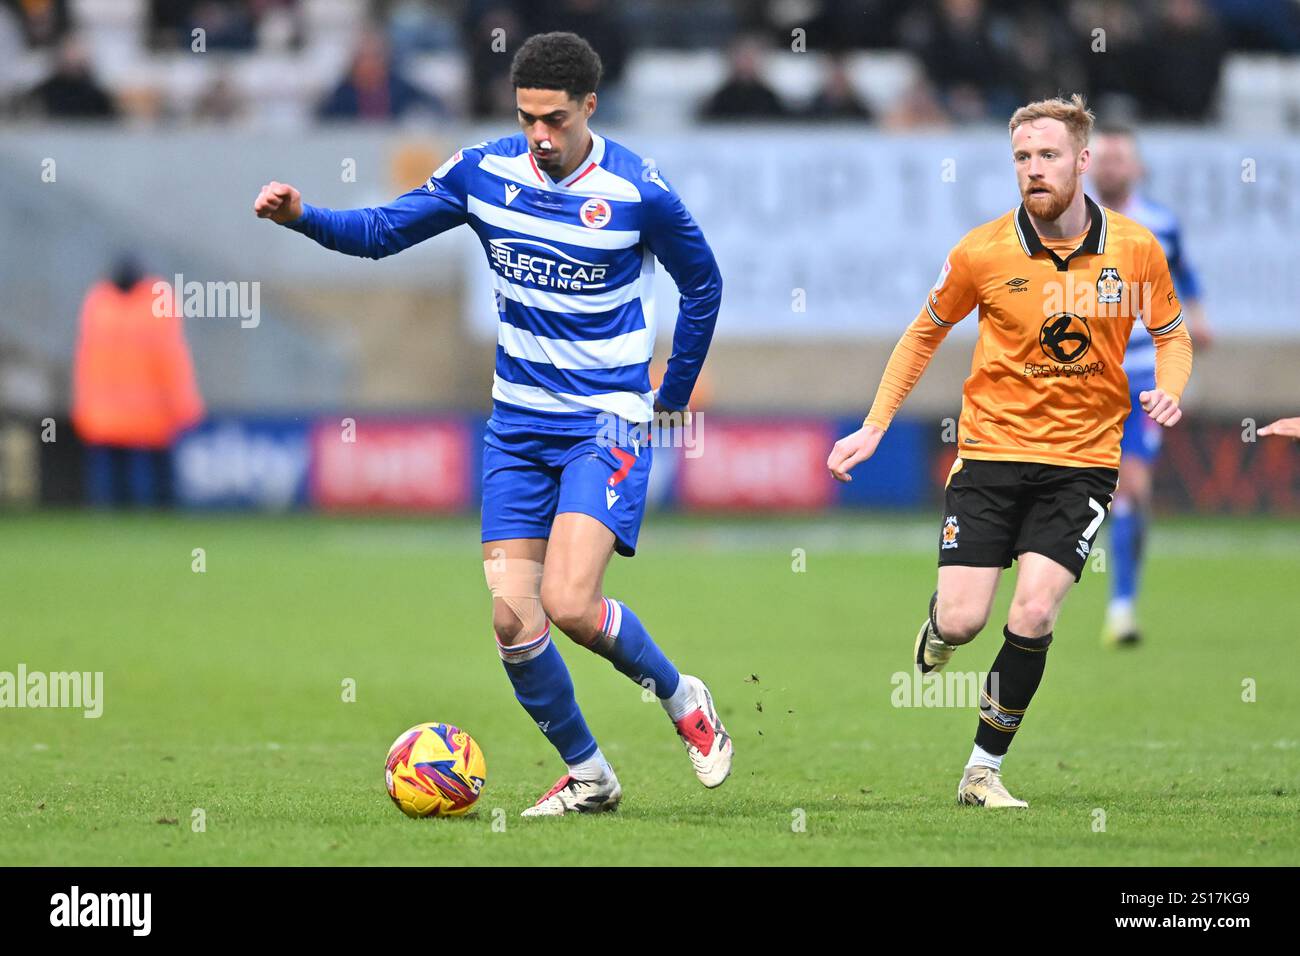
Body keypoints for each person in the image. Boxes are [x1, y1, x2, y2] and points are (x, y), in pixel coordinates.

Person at [255, 31, 731, 816]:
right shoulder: (484, 172)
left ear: (589, 107)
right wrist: (304, 215)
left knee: (572, 604)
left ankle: (684, 699)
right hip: (515, 427)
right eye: (525, 119)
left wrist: (669, 393)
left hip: (602, 421)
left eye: (554, 119)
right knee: (515, 621)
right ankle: (591, 776)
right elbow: (381, 234)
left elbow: (703, 284)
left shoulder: (639, 189)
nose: (539, 136)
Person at [826, 95, 1193, 808]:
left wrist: (1171, 388)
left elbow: (1173, 331)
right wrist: (874, 425)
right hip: (990, 456)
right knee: (965, 620)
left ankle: (981, 771)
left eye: (1048, 155)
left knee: (1033, 615)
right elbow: (922, 334)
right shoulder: (982, 251)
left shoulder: (1136, 248)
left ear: (1082, 161)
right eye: (1022, 157)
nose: (1033, 169)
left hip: (1083, 463)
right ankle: (939, 629)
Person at [1089, 125, 1212, 646]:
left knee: (1131, 487)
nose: (1113, 167)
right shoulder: (1071, 221)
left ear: (1138, 169)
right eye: (1105, 159)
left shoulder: (1160, 225)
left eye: (1122, 159)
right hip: (1084, 371)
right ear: (1090, 166)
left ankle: (1122, 605)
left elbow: (1186, 277)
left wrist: (1198, 319)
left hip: (1142, 370)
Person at [71, 256, 204, 507]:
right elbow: (172, 361)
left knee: (112, 486)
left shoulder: (98, 303)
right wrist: (185, 405)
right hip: (152, 413)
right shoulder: (155, 303)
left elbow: (84, 361)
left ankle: (112, 530)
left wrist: (83, 407)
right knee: (161, 483)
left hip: (106, 415)